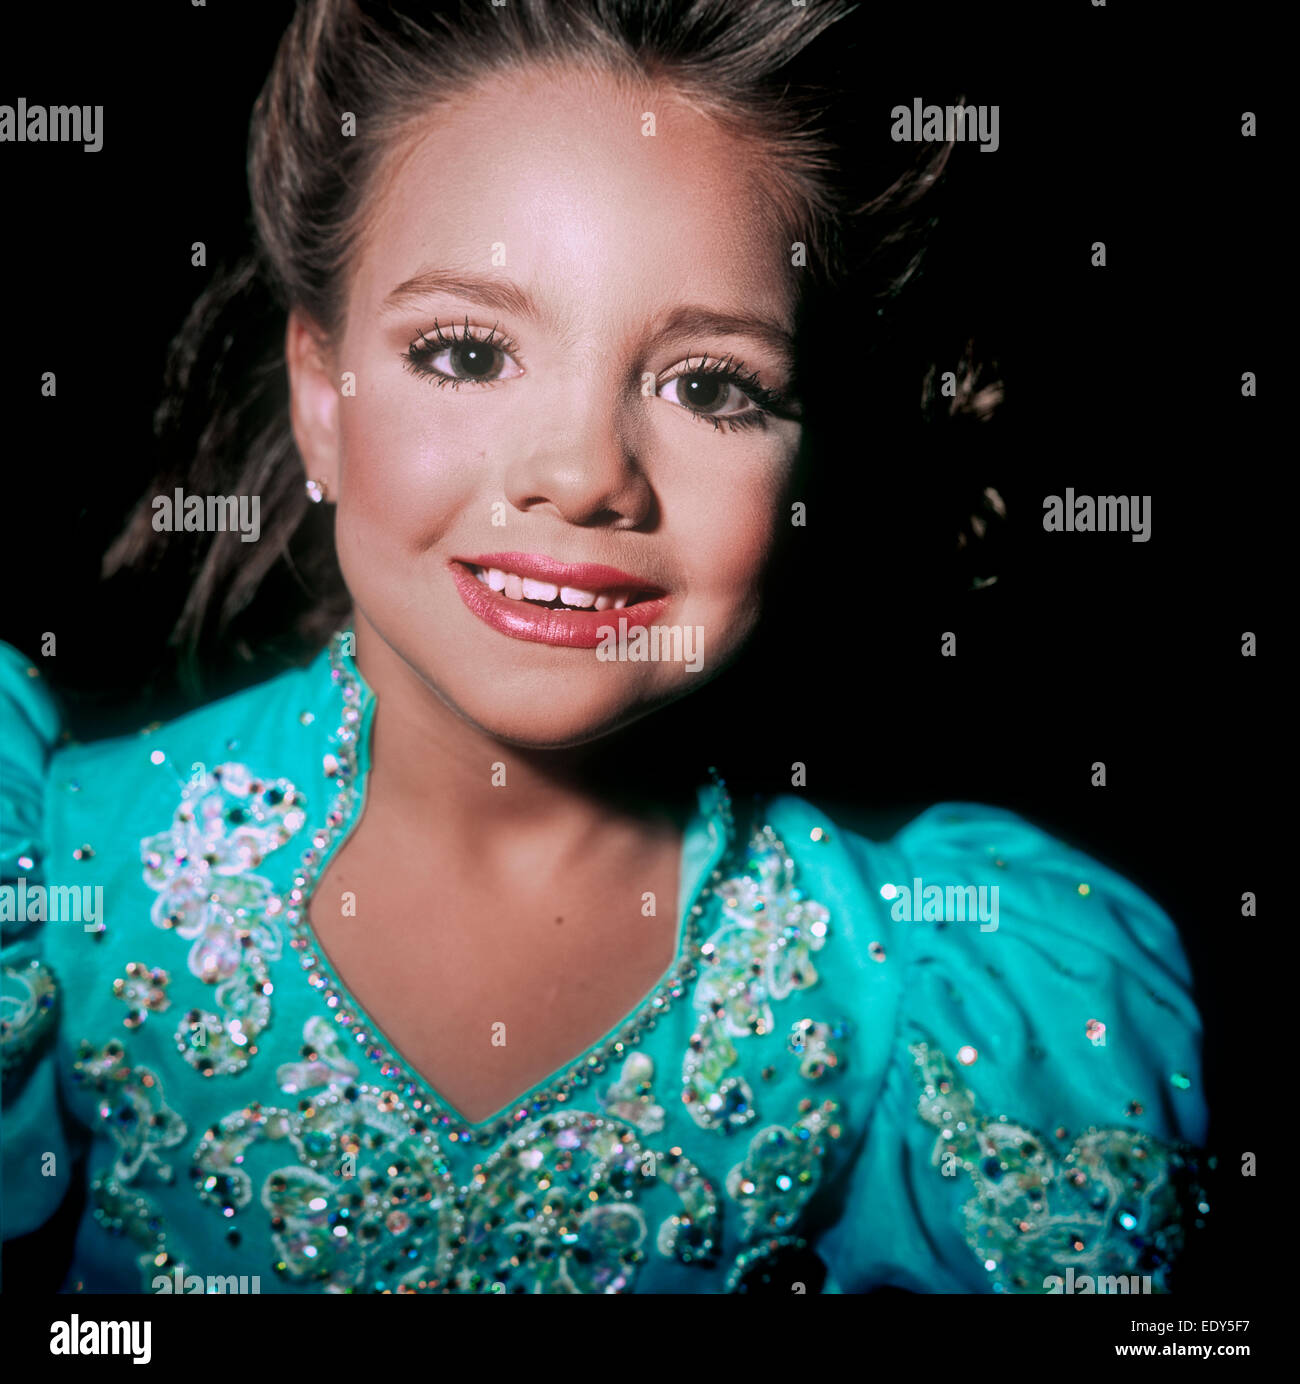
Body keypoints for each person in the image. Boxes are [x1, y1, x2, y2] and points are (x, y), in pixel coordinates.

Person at [0, 0, 1205, 1294]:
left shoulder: (944, 987)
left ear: (815, 454)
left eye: (710, 386)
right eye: (466, 353)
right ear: (321, 395)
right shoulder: (61, 874)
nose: (583, 476)